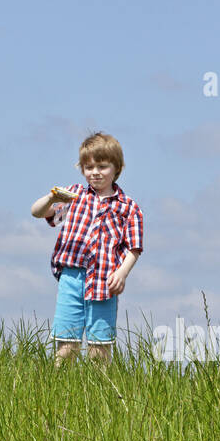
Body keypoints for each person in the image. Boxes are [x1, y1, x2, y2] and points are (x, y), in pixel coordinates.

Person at [30, 131, 144, 366]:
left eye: (102, 166)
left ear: (117, 168)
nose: (95, 172)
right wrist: (52, 198)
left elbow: (134, 247)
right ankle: (59, 385)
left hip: (105, 280)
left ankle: (97, 390)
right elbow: (38, 212)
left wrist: (121, 274)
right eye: (88, 167)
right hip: (71, 276)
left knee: (99, 346)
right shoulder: (74, 195)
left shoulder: (128, 207)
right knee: (66, 341)